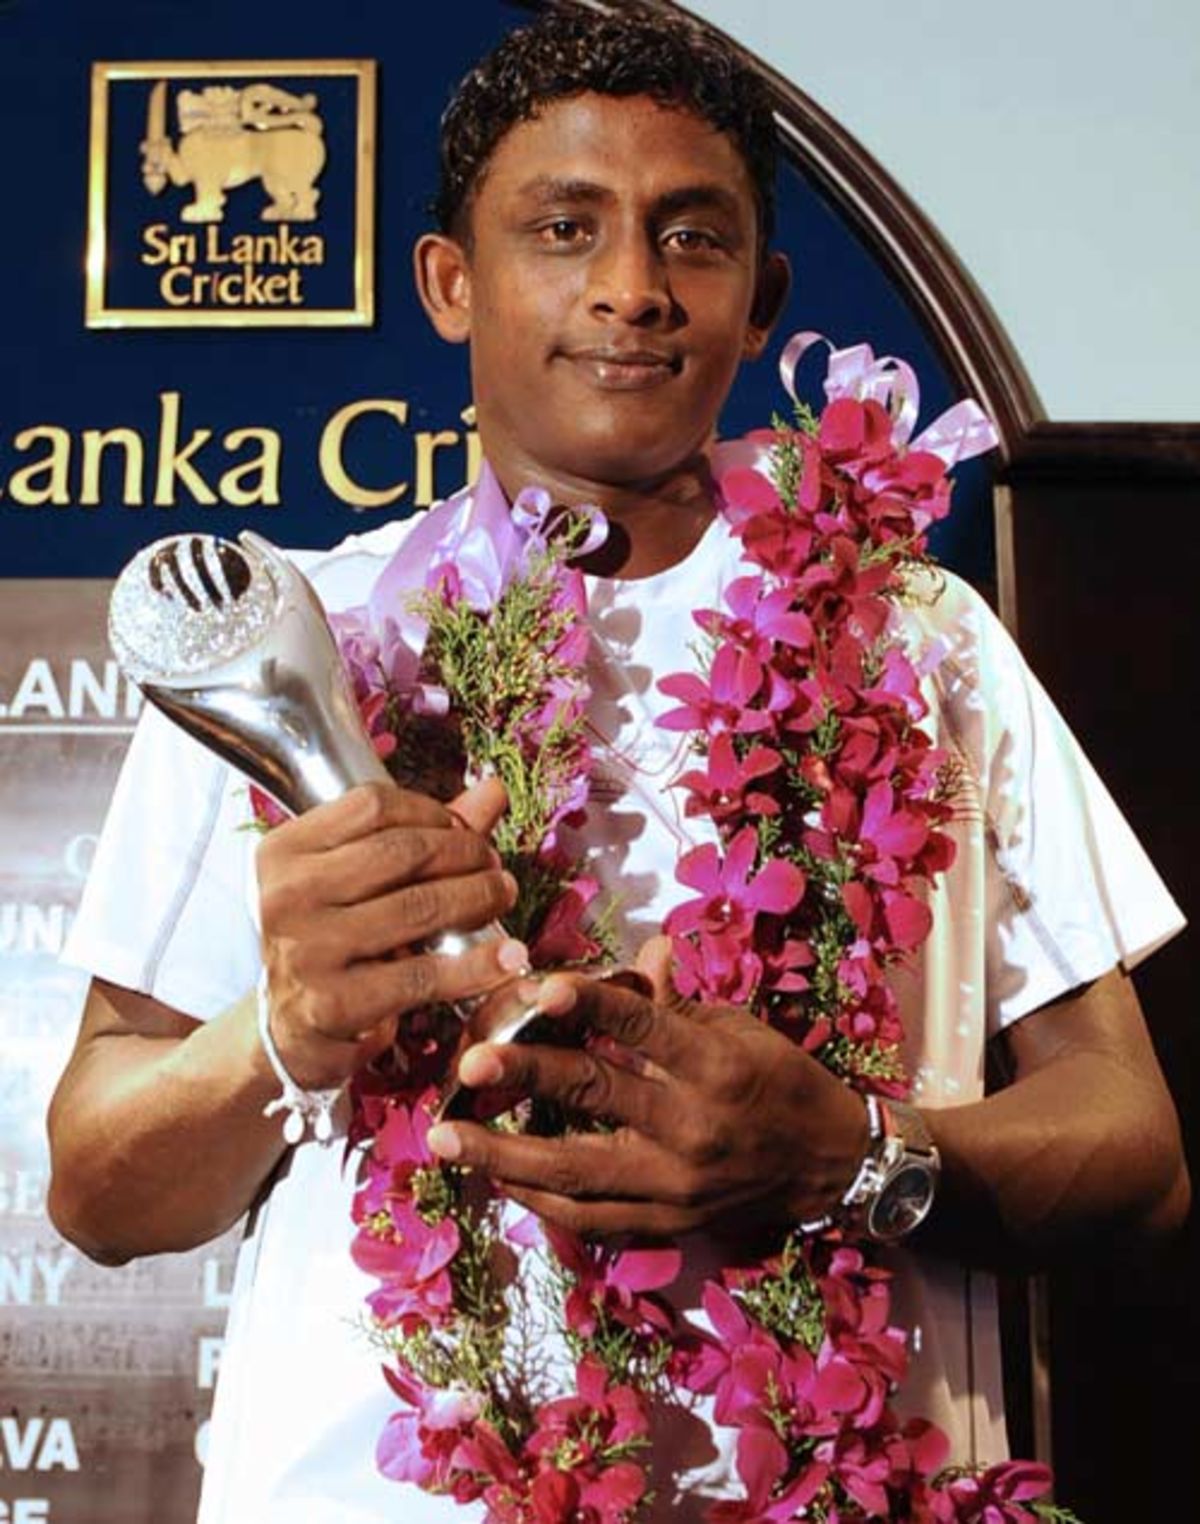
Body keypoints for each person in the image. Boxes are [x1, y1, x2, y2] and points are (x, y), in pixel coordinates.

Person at [49, 7, 1188, 1521]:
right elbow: (99, 1191)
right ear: (453, 284)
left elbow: (1135, 1161)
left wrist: (844, 1153)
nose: (633, 290)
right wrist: (287, 1028)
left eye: (692, 237)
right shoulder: (292, 647)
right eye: (564, 228)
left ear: (765, 299)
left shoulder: (927, 640)